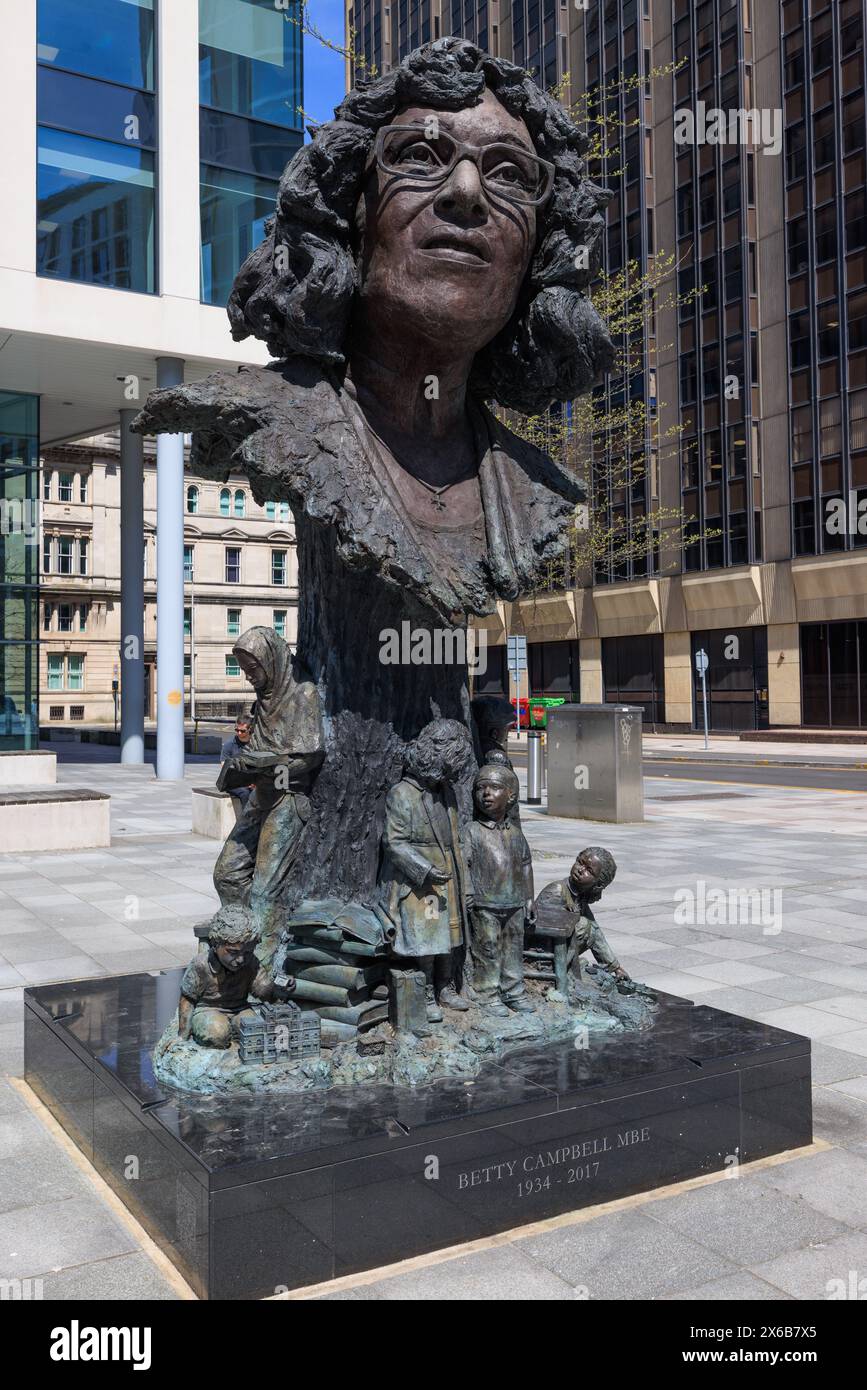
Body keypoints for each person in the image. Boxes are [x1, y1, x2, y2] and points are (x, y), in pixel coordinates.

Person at [214, 627, 324, 965]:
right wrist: (244, 767)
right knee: (227, 872)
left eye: (252, 670)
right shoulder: (262, 701)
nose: (249, 678)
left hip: (289, 799)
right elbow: (259, 749)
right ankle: (237, 942)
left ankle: (262, 963)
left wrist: (271, 767)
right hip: (262, 793)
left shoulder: (303, 695)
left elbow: (309, 758)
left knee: (265, 888)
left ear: (271, 661)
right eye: (245, 672)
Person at [376, 719, 473, 1021]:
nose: (449, 776)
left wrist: (465, 883)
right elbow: (394, 842)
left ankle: (446, 987)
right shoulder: (403, 793)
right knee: (428, 938)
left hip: (448, 875)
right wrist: (425, 869)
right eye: (448, 768)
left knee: (449, 936)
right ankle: (427, 990)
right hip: (417, 881)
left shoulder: (447, 793)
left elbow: (456, 841)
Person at [463, 765, 535, 1015]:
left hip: (514, 902)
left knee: (513, 948)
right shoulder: (472, 830)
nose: (486, 793)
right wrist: (468, 892)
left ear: (511, 795)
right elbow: (465, 864)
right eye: (480, 788)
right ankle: (488, 993)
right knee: (488, 949)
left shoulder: (516, 833)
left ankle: (514, 991)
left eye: (494, 787)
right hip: (485, 904)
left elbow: (526, 865)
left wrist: (528, 898)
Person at [177, 904, 278, 1049]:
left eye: (247, 952)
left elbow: (263, 991)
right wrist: (182, 1036)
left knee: (255, 1032)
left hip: (240, 1009)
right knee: (217, 1034)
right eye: (233, 953)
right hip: (208, 1009)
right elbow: (187, 999)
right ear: (216, 944)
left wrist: (276, 988)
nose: (241, 960)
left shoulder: (250, 962)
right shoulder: (201, 965)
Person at [534, 847, 631, 984]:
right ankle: (554, 967)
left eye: (589, 870)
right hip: (541, 949)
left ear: (598, 884)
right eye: (580, 862)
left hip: (559, 947)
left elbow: (595, 931)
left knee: (590, 926)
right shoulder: (557, 890)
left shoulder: (579, 896)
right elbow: (539, 930)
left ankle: (565, 964)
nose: (580, 870)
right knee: (584, 926)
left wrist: (616, 967)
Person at [220, 714, 255, 814]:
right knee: (245, 793)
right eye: (237, 730)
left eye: (243, 731)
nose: (239, 733)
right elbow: (224, 767)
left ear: (250, 729)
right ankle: (246, 821)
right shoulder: (229, 745)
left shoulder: (255, 744)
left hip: (252, 780)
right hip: (233, 782)